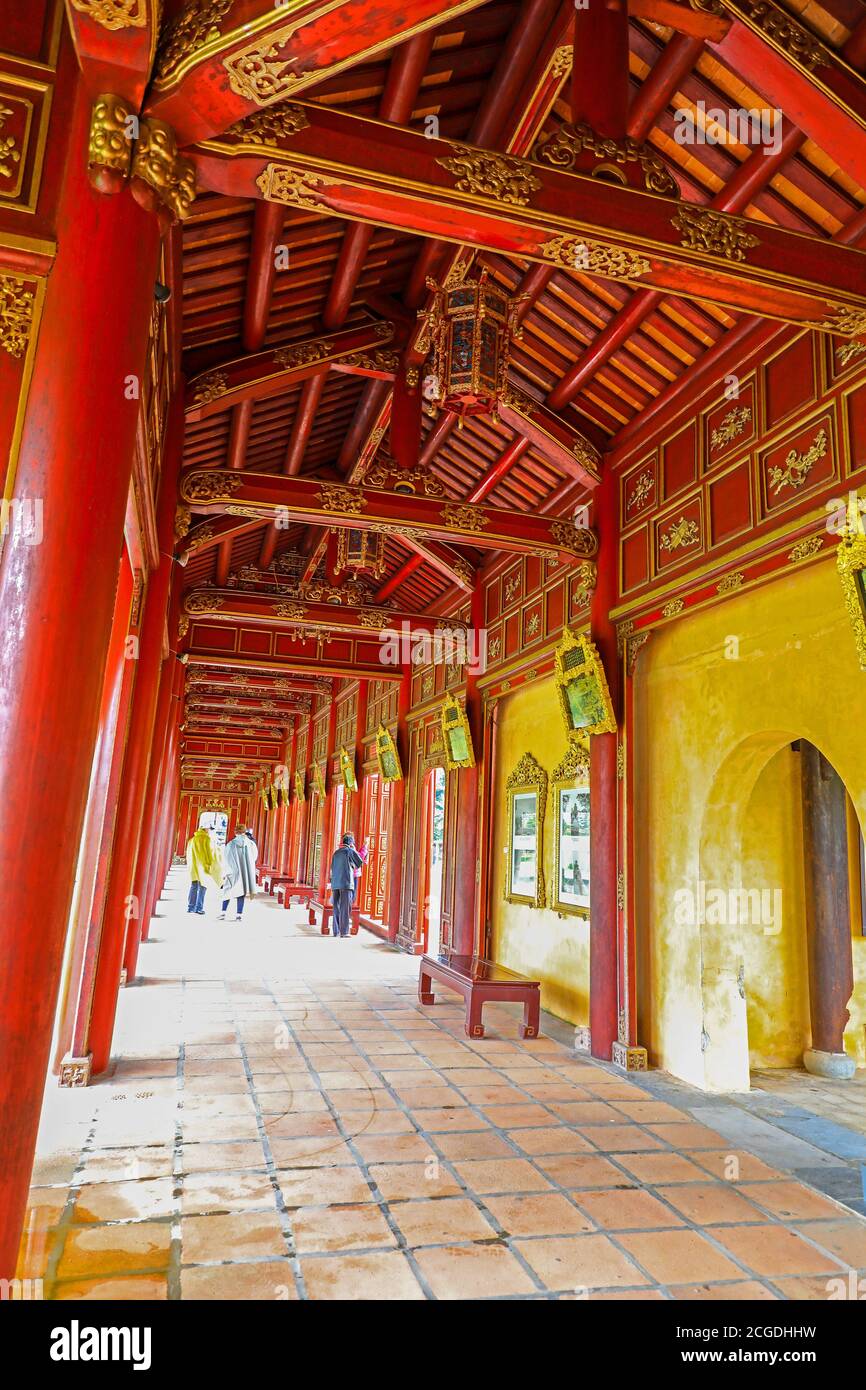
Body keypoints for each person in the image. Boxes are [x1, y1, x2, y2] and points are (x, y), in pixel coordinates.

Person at [219, 826, 258, 921]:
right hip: (245, 871)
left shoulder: (231, 844)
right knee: (241, 893)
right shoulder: (251, 844)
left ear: (235, 832)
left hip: (232, 871)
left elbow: (226, 858)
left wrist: (225, 872)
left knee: (227, 890)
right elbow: (254, 857)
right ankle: (238, 915)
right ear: (244, 832)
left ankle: (223, 913)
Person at [329, 832, 363, 938]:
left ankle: (336, 931)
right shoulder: (349, 851)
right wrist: (353, 850)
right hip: (346, 883)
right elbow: (359, 862)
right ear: (351, 843)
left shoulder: (336, 853)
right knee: (345, 907)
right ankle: (344, 932)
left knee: (336, 907)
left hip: (335, 883)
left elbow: (332, 868)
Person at [185, 825, 222, 915]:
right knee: (203, 887)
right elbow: (210, 854)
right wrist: (211, 865)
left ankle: (190, 907)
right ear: (205, 829)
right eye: (209, 829)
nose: (210, 831)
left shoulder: (192, 840)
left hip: (193, 867)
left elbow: (188, 855)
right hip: (203, 867)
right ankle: (199, 908)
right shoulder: (207, 839)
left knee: (194, 886)